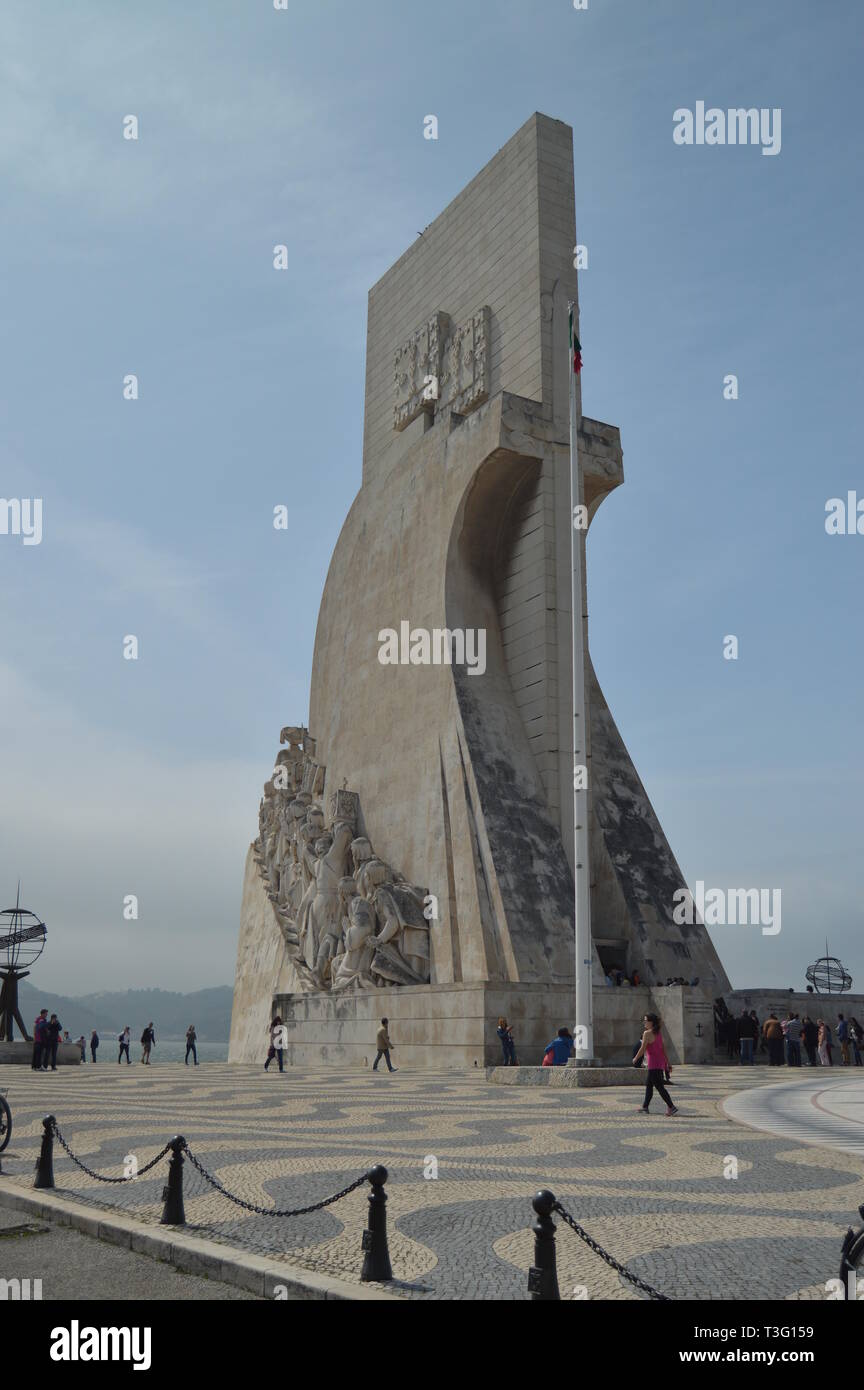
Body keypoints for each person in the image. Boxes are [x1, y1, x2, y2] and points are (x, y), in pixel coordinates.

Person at [633, 1013, 678, 1116]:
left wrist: (636, 1058)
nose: (644, 1022)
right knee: (649, 1085)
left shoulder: (647, 1033)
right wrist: (668, 1063)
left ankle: (671, 1107)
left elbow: (643, 1048)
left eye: (645, 1021)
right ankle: (645, 1107)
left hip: (653, 1063)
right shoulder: (658, 1033)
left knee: (659, 1086)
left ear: (651, 1022)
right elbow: (663, 1050)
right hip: (659, 1063)